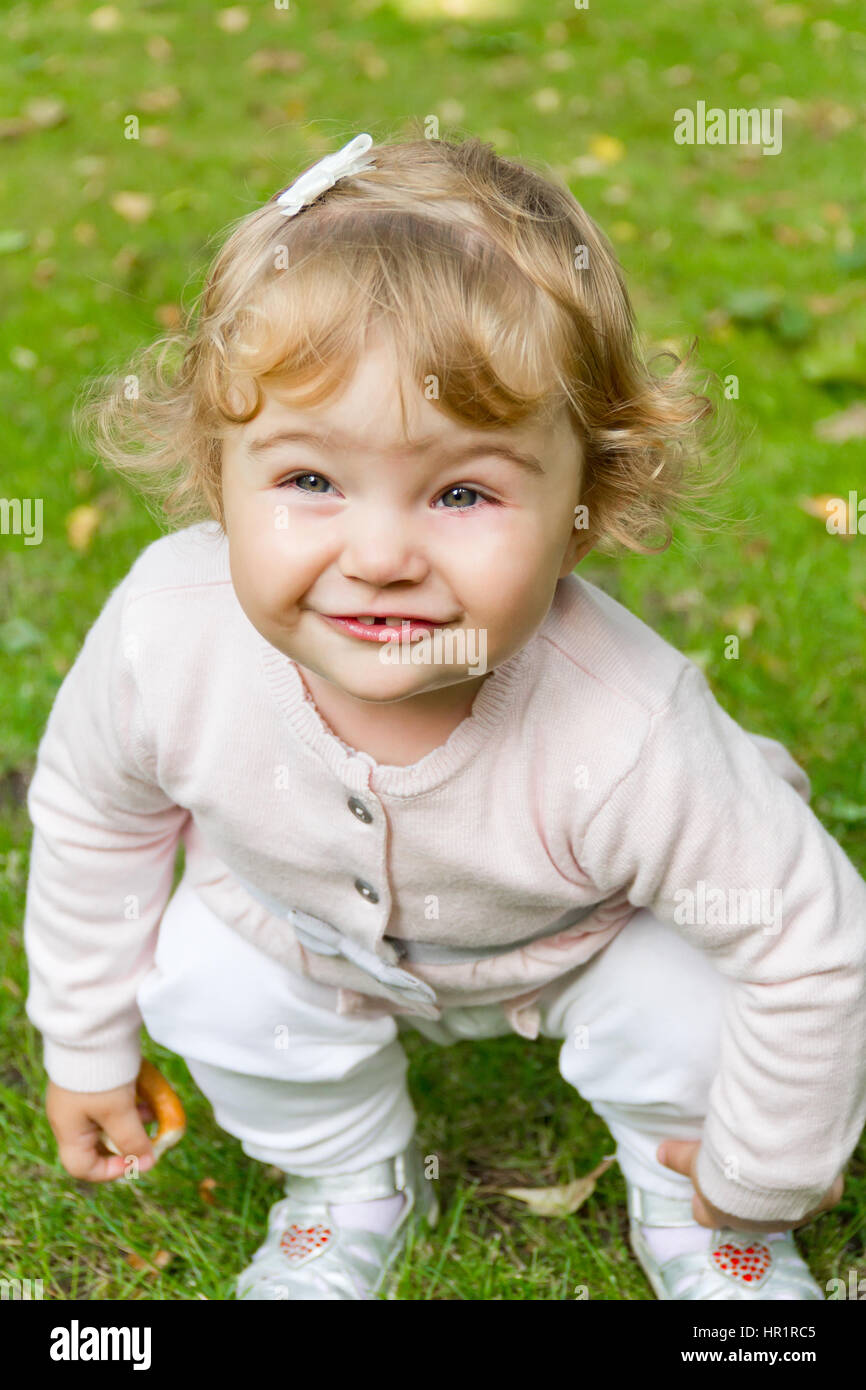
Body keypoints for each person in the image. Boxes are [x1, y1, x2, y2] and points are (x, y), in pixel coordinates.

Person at [24, 132, 864, 1301]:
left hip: (583, 937)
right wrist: (86, 1042)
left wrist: (763, 1171)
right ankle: (350, 1179)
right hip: (300, 924)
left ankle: (697, 1212)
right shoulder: (167, 636)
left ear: (589, 501)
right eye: (308, 480)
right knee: (211, 975)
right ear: (216, 475)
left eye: (462, 491)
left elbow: (810, 943)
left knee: (695, 1006)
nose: (377, 557)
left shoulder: (625, 728)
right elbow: (94, 819)